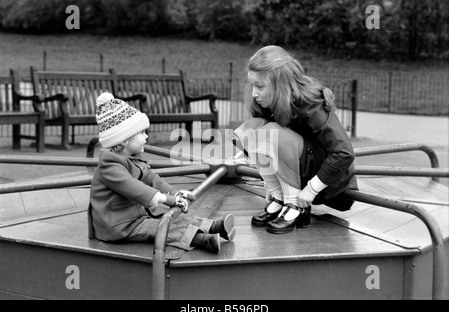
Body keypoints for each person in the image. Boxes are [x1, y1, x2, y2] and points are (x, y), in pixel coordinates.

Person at [88, 92, 235, 253]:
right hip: (119, 225)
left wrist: (175, 192)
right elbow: (134, 188)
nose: (146, 136)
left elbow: (152, 179)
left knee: (175, 219)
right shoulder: (109, 166)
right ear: (124, 140)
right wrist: (167, 199)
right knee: (159, 227)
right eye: (142, 133)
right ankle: (204, 240)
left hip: (135, 215)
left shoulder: (133, 158)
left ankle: (215, 227)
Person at [233, 45, 358, 234]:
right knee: (248, 131)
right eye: (252, 85)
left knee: (272, 132)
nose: (254, 93)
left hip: (327, 183)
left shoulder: (311, 104)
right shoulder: (268, 102)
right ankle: (279, 197)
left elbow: (344, 152)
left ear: (280, 84)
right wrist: (271, 184)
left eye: (260, 86)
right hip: (300, 170)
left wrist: (312, 189)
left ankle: (296, 207)